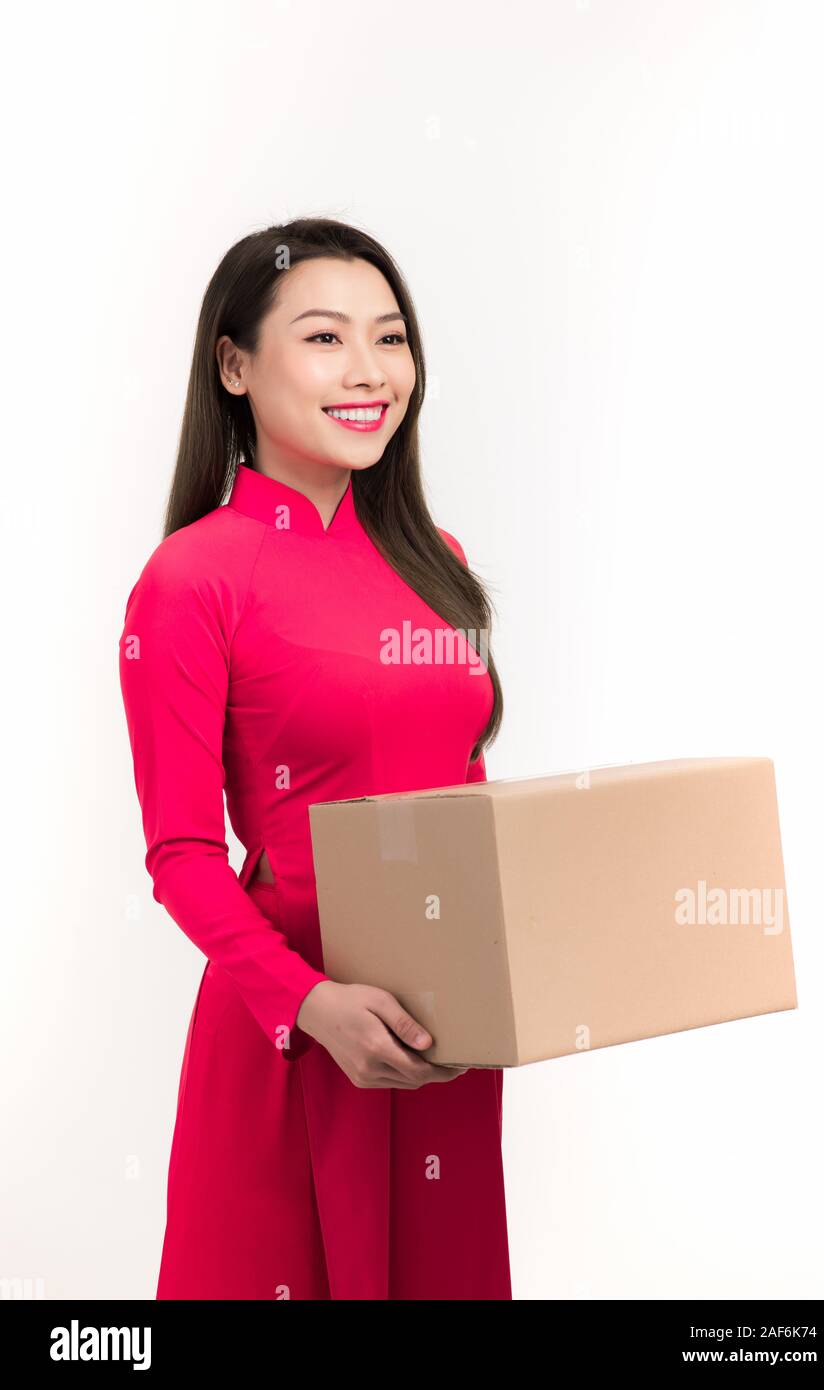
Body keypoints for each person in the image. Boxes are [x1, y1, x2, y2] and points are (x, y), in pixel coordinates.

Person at [118, 216, 511, 1300]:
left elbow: (464, 798)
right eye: (326, 338)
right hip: (295, 1028)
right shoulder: (191, 580)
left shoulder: (440, 563)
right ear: (235, 364)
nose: (370, 372)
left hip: (443, 1030)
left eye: (390, 338)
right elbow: (183, 852)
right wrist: (307, 1006)